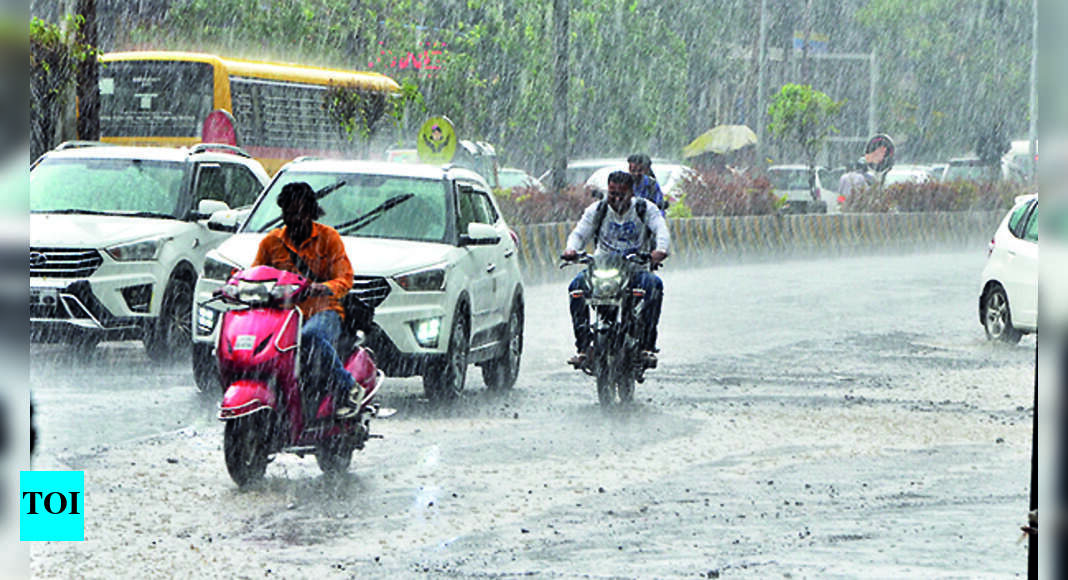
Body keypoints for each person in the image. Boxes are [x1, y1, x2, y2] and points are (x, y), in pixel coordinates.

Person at [251, 182, 360, 418]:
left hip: (323, 311)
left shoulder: (329, 238)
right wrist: (235, 285)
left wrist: (323, 288)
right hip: (281, 317)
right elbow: (255, 275)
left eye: (299, 213)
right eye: (288, 213)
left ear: (311, 212)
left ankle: (347, 386)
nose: (294, 219)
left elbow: (345, 278)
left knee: (311, 336)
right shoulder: (270, 243)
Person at [562, 171, 670, 367]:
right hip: (601, 267)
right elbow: (579, 234)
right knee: (576, 289)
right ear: (607, 191)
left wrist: (660, 251)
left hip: (635, 268)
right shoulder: (597, 210)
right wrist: (571, 250)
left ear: (631, 193)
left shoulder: (645, 209)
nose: (617, 199)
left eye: (622, 194)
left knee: (654, 286)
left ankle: (646, 346)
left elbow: (661, 230)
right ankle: (584, 348)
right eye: (612, 194)